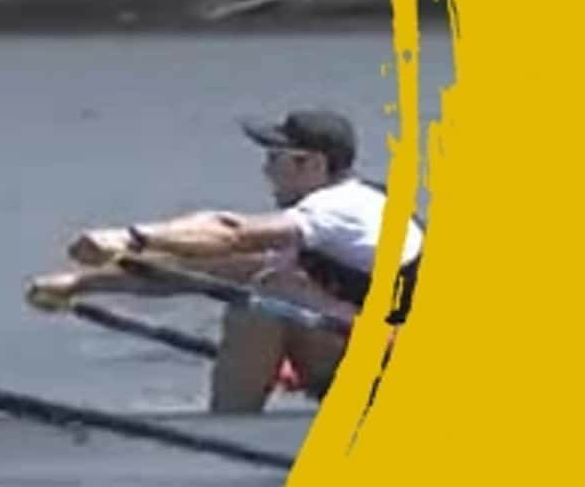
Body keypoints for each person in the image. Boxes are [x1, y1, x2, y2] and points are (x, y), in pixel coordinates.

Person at [26, 108, 423, 412]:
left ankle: (230, 429)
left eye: (275, 159)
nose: (266, 171)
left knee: (267, 297)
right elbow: (203, 270)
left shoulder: (345, 207)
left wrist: (131, 237)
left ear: (313, 164)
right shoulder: (319, 227)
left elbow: (229, 231)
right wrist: (81, 284)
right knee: (264, 280)